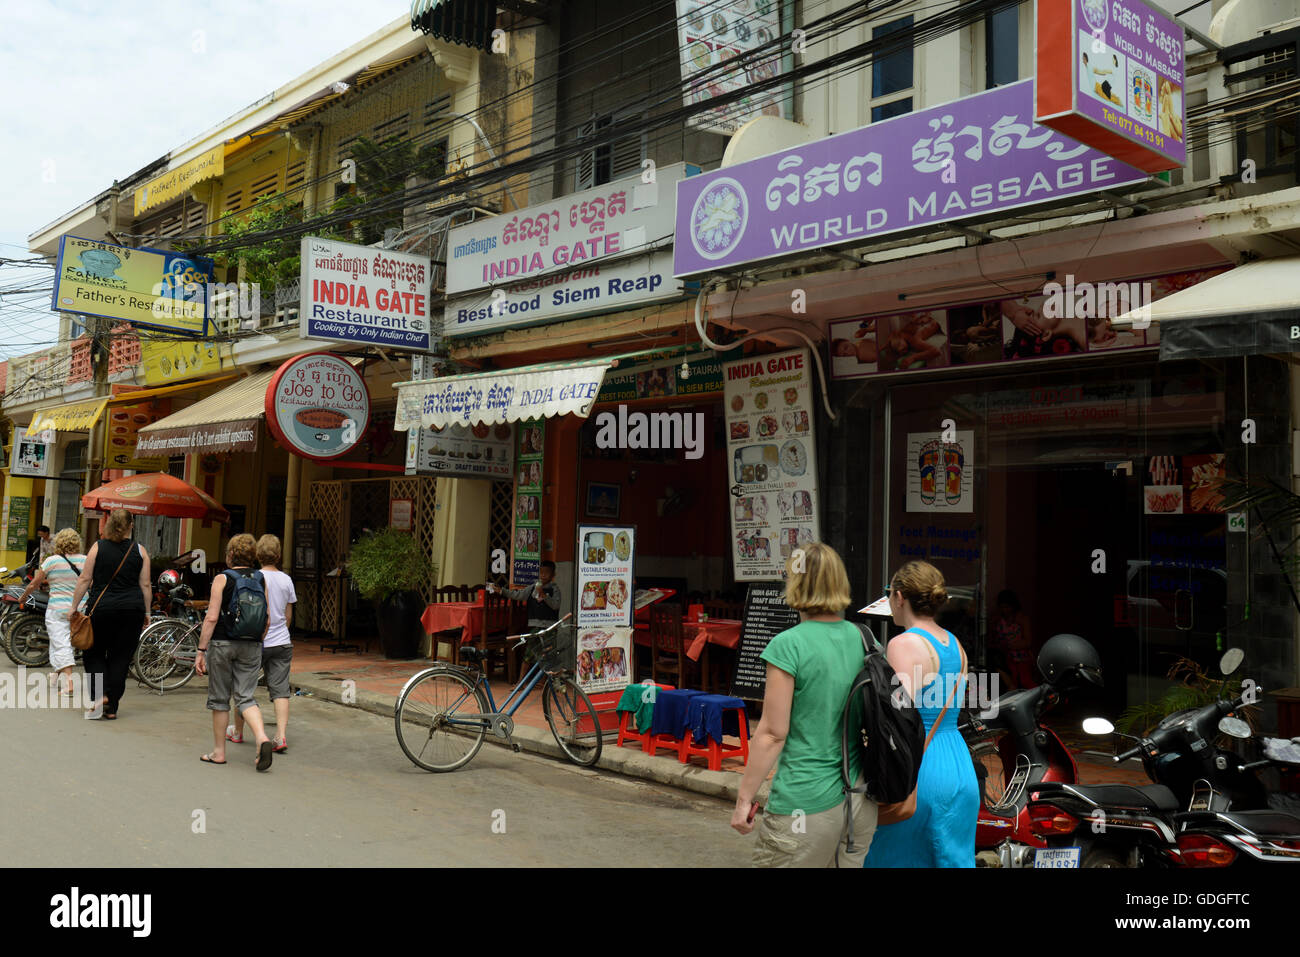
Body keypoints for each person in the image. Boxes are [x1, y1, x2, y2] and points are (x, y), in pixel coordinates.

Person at [731, 542, 877, 867]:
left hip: (805, 803)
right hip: (859, 803)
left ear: (796, 583)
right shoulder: (864, 639)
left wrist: (744, 799)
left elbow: (771, 733)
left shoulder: (789, 645)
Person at [864, 560, 978, 868]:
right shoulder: (956, 645)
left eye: (889, 594)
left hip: (920, 768)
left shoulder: (903, 644)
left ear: (899, 597)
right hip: (958, 765)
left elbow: (896, 719)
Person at [194, 534, 274, 771]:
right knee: (245, 696)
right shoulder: (260, 578)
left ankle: (219, 752)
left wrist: (201, 650)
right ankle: (262, 738)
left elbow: (211, 617)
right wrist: (258, 640)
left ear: (230, 555)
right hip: (251, 644)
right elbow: (266, 617)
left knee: (220, 698)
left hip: (222, 643)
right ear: (253, 556)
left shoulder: (222, 578)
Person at [69, 509, 152, 720]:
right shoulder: (140, 551)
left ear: (108, 524)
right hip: (132, 610)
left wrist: (74, 607)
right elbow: (145, 584)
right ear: (130, 526)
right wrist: (148, 611)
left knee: (94, 652)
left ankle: (100, 695)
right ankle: (112, 707)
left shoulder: (98, 547)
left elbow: (85, 579)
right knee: (121, 657)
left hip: (102, 608)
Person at [230, 535, 297, 753]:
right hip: (282, 643)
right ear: (278, 556)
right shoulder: (287, 580)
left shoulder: (255, 577)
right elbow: (288, 615)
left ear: (257, 555)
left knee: (243, 689)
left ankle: (238, 732)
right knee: (280, 691)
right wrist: (281, 633)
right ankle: (281, 735)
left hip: (257, 641)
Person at [19, 528, 86, 697]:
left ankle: (69, 682)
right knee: (61, 642)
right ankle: (55, 674)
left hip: (57, 609)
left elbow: (34, 584)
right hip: (80, 608)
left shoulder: (52, 561)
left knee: (60, 643)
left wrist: (23, 597)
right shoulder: (86, 561)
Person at [489, 559, 560, 630]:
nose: (543, 575)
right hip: (534, 625)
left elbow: (555, 606)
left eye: (547, 572)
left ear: (553, 575)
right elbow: (518, 595)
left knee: (548, 641)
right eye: (541, 572)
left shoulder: (555, 589)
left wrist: (543, 595)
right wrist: (502, 591)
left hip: (550, 626)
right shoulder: (533, 587)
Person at [990, 589, 1036, 690]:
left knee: (1025, 681)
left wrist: (1010, 646)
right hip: (1005, 658)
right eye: (1002, 607)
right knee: (1011, 683)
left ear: (1013, 606)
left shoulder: (1022, 619)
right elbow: (993, 639)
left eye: (1007, 607)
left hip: (1021, 658)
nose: (1005, 610)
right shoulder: (998, 620)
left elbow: (1028, 641)